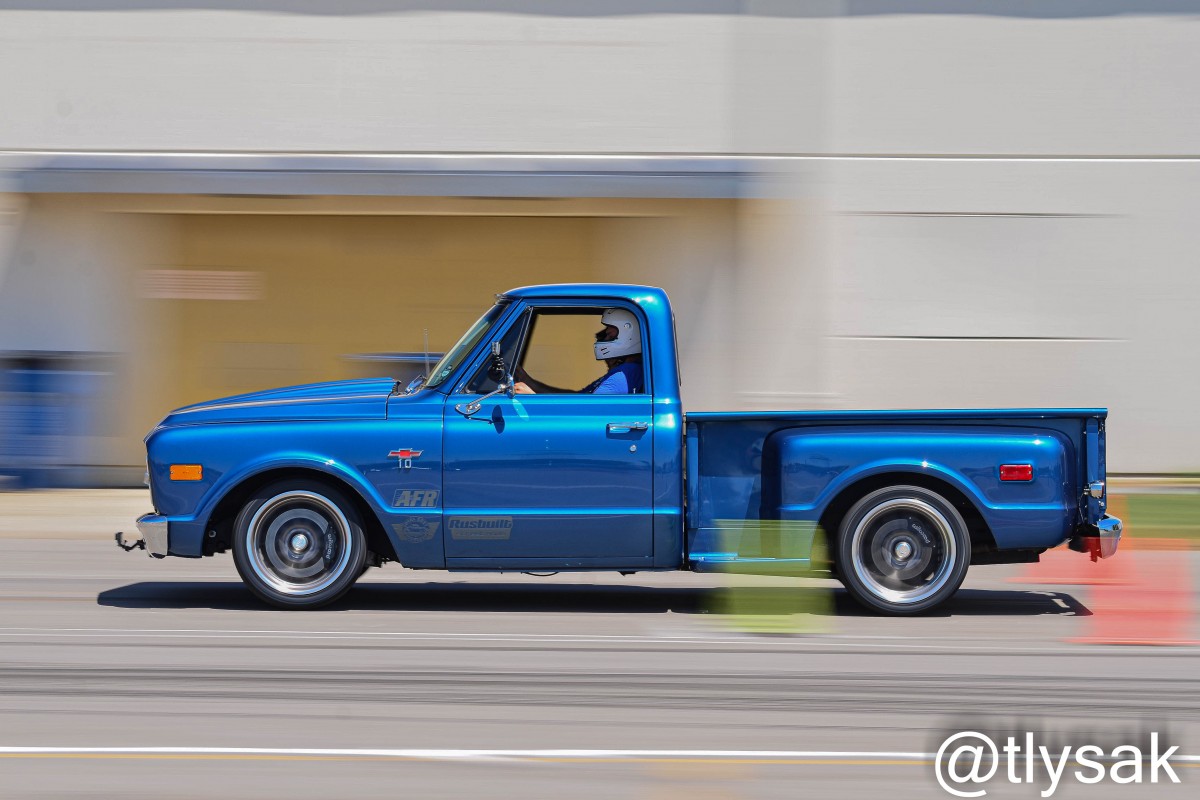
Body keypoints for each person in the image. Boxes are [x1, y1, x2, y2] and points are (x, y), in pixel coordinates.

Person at [513, 308, 644, 395]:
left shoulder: (626, 372)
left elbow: (587, 415)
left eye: (610, 336)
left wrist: (533, 398)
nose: (605, 341)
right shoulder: (623, 371)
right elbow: (578, 398)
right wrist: (529, 382)